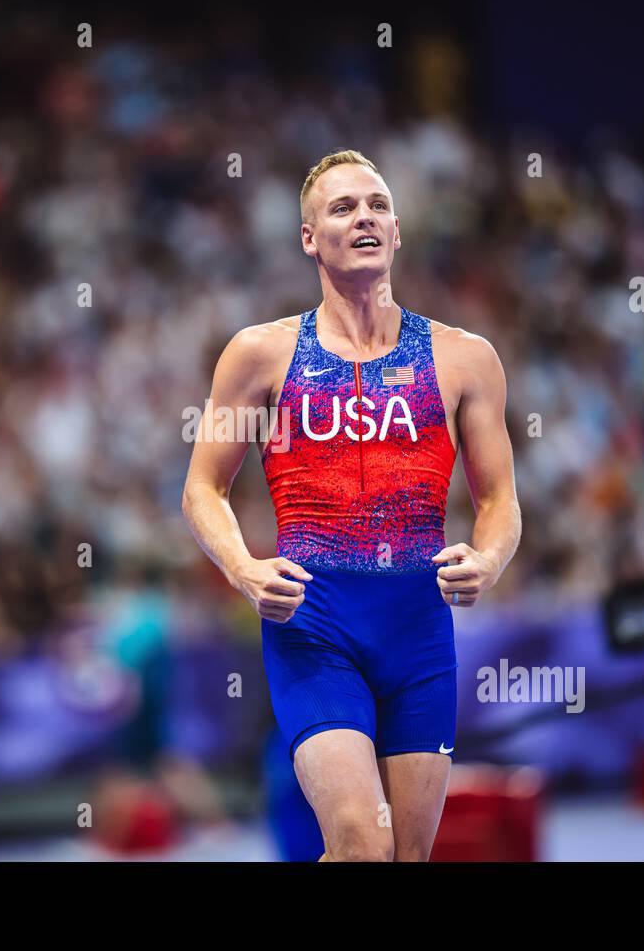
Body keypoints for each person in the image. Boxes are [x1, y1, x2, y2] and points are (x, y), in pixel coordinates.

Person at [182, 150, 520, 861]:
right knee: (362, 843)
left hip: (419, 628)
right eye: (342, 207)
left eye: (376, 204)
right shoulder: (261, 355)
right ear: (309, 237)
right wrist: (245, 570)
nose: (363, 215)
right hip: (316, 623)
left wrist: (487, 559)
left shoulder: (465, 359)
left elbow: (498, 501)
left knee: (406, 857)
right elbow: (202, 488)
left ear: (396, 231)